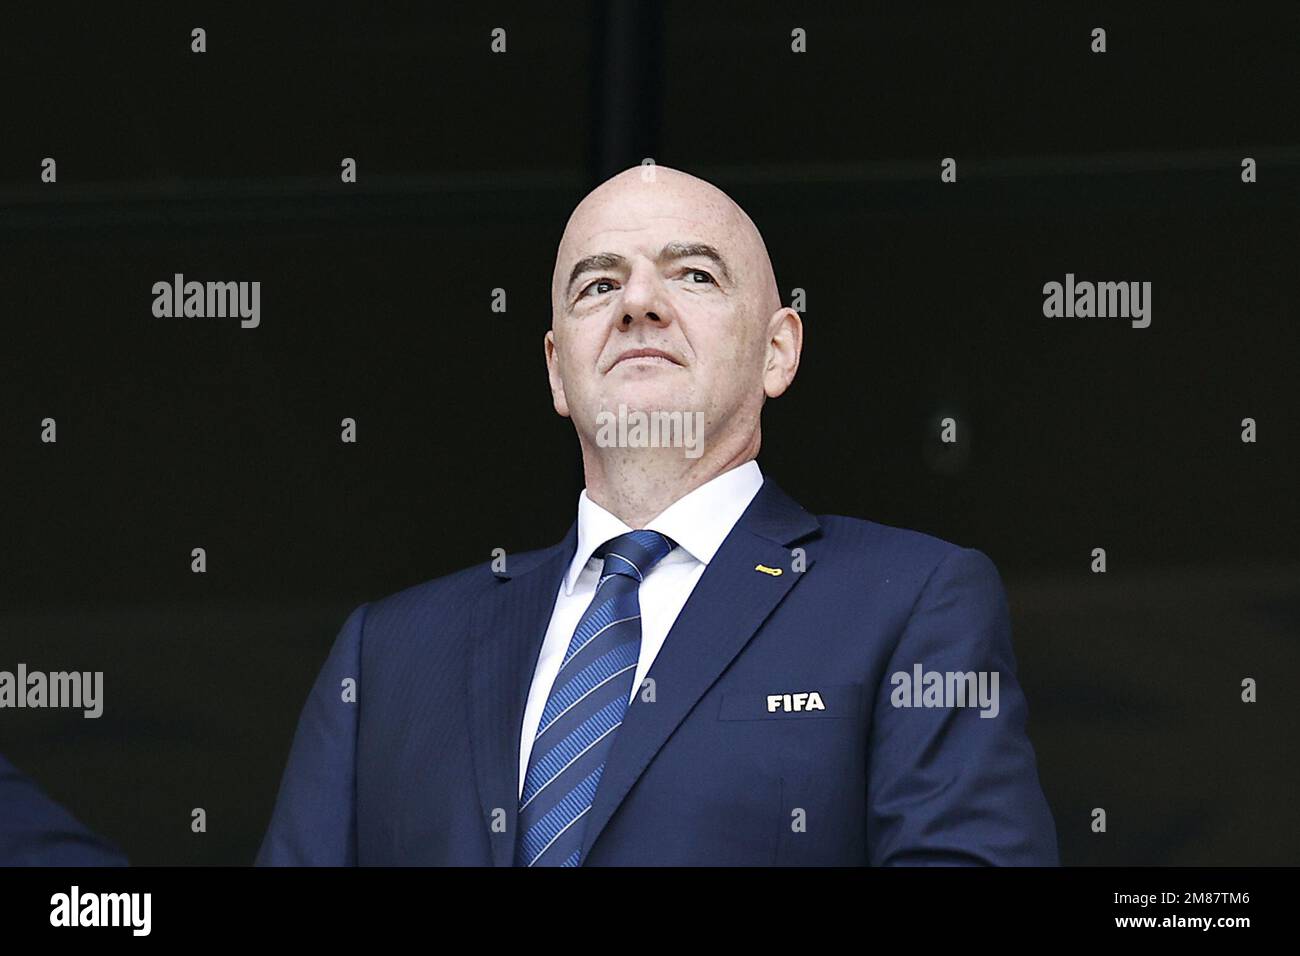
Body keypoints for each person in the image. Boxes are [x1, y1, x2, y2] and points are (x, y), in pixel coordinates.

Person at [256, 164, 1059, 866]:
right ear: (557, 371)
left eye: (694, 276)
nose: (639, 302)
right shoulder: (391, 652)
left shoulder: (913, 602)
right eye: (598, 285)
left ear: (779, 350)